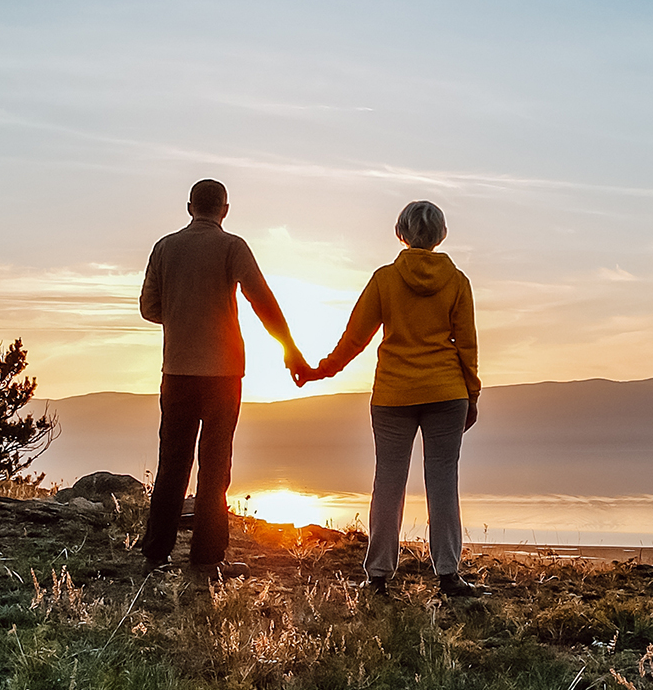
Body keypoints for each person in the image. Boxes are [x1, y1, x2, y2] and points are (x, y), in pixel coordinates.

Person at [306, 200, 483, 598]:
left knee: (388, 480)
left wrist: (324, 369)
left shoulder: (385, 279)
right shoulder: (457, 281)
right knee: (443, 481)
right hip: (446, 392)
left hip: (393, 394)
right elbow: (467, 345)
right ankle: (449, 575)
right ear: (441, 235)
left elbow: (356, 337)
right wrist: (471, 393)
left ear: (401, 233)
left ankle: (378, 576)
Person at [139, 179, 309, 579]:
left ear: (189, 207)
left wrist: (181, 315)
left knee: (172, 463)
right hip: (224, 373)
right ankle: (208, 559)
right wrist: (289, 347)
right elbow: (262, 299)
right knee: (216, 466)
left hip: (177, 371)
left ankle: (156, 555)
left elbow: (148, 307)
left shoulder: (164, 248)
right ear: (225, 210)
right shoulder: (233, 247)